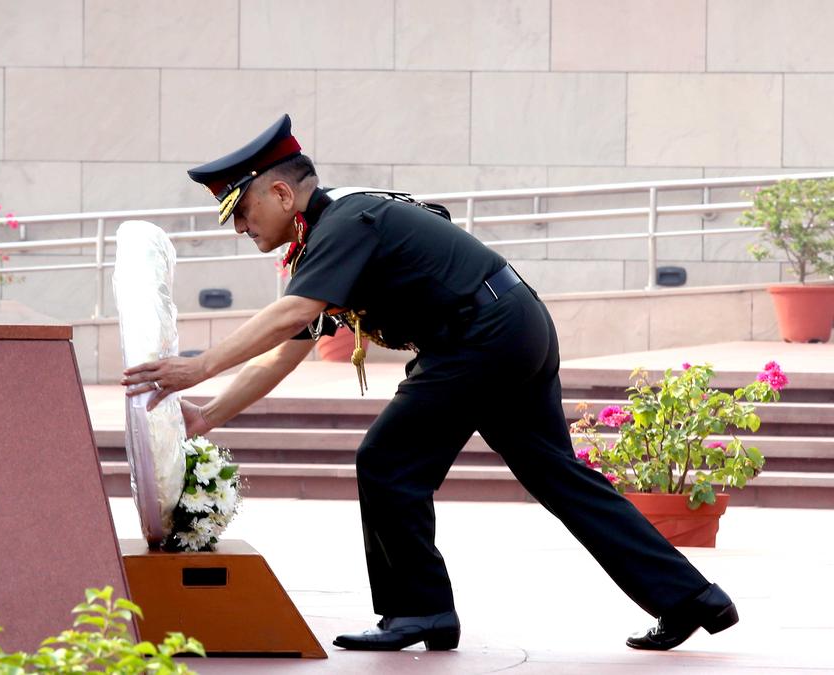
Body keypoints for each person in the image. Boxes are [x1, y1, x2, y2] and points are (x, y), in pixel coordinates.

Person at [122, 114, 739, 652]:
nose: (239, 228)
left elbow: (290, 315)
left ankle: (419, 610)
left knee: (388, 461)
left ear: (281, 193)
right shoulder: (334, 233)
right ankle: (690, 598)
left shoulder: (344, 223)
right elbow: (289, 350)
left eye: (242, 211)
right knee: (558, 476)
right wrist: (206, 416)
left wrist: (196, 368)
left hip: (480, 334)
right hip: (508, 324)